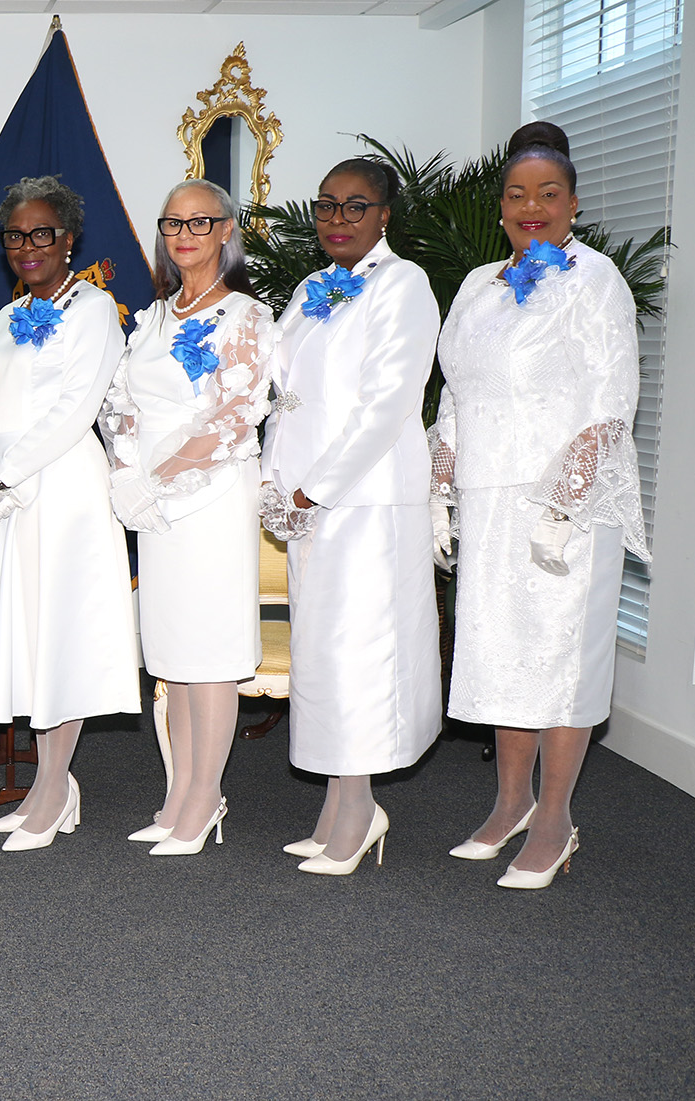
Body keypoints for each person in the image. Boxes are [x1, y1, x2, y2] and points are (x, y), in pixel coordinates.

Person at [433, 136, 649, 889]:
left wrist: (564, 502)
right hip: (490, 500)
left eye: (549, 193)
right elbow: (455, 390)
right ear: (501, 207)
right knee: (501, 653)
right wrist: (441, 481)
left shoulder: (597, 280)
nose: (532, 207)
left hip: (565, 506)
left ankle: (555, 818)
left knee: (560, 658)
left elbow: (612, 400)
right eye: (518, 194)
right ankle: (510, 803)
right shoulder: (477, 284)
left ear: (573, 204)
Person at [260, 158, 443, 875]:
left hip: (365, 501)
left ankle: (360, 810)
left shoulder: (404, 284)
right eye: (327, 205)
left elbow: (388, 402)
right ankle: (341, 805)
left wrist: (316, 488)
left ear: (385, 214)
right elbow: (283, 395)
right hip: (307, 502)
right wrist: (276, 480)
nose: (338, 219)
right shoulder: (311, 287)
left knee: (360, 653)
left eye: (356, 205)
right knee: (324, 656)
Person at [0, 176, 139, 852]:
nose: (27, 246)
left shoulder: (93, 309)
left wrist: (5, 472)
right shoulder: (6, 317)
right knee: (28, 640)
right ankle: (47, 788)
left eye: (42, 233)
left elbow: (75, 408)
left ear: (68, 240)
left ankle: (55, 786)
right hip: (6, 497)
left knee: (62, 635)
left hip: (61, 488)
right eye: (15, 235)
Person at [102, 179, 274, 855]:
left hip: (210, 498)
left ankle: (205, 797)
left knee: (209, 652)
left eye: (200, 222)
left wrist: (160, 478)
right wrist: (127, 475)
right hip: (153, 506)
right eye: (173, 222)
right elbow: (119, 402)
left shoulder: (247, 315)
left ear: (226, 230)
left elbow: (237, 414)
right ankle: (176, 796)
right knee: (171, 657)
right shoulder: (151, 317)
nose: (184, 235)